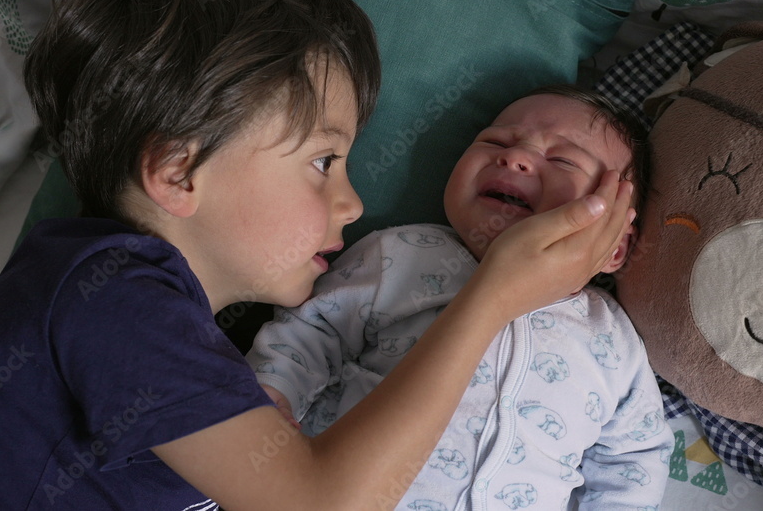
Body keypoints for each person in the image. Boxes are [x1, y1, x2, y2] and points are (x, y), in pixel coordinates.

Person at [0, 0, 635, 509]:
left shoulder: (156, 316)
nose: (353, 203)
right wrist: (493, 298)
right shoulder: (110, 298)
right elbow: (320, 502)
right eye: (323, 161)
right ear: (179, 171)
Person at [248, 85, 672, 510]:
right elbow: (312, 331)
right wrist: (274, 395)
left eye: (563, 160)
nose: (514, 157)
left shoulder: (611, 339)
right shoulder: (400, 255)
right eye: (495, 141)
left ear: (616, 245)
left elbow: (636, 457)